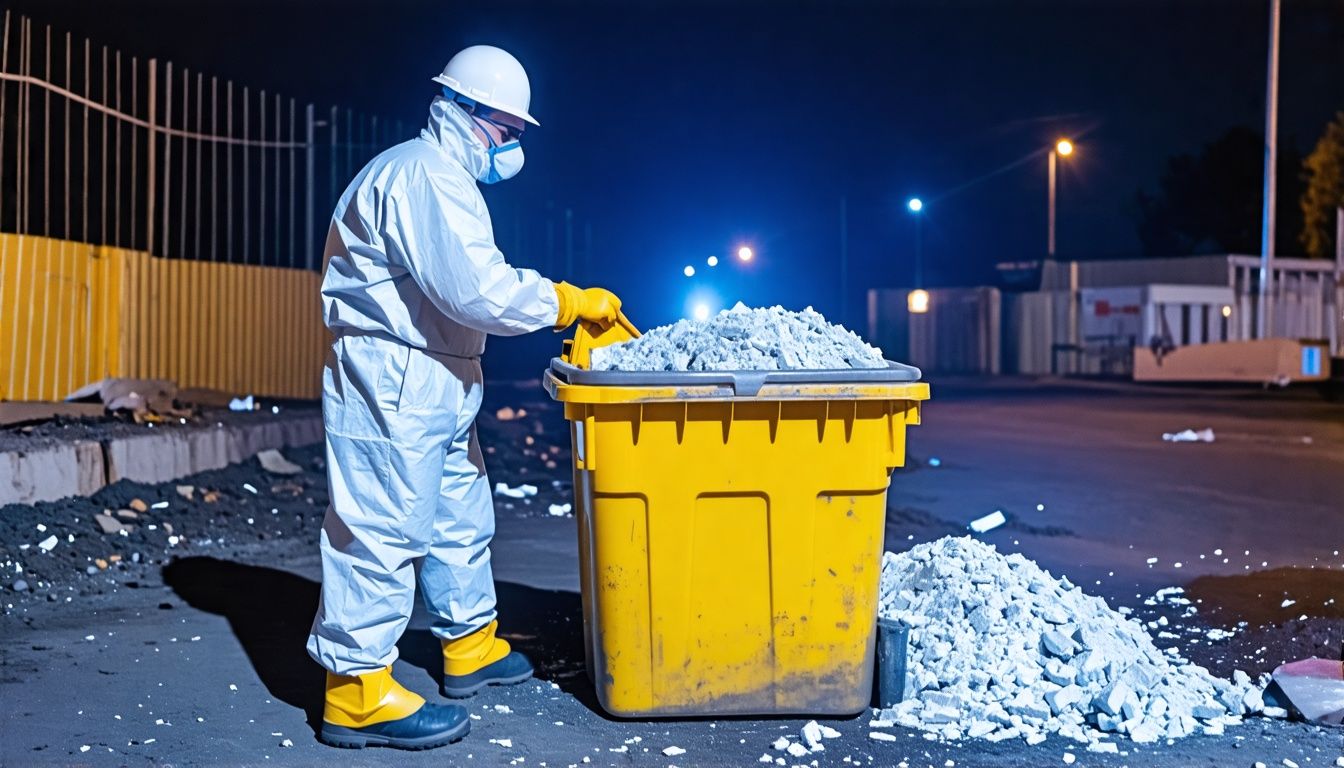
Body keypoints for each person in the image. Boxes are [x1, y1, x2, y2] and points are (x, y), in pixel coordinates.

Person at [307, 45, 621, 750]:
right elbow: (475, 289)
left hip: (439, 370)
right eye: (503, 129)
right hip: (394, 372)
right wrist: (564, 300)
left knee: (458, 512)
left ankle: (469, 644)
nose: (509, 147)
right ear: (463, 111)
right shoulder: (423, 177)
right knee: (383, 526)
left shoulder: (441, 176)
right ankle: (356, 689)